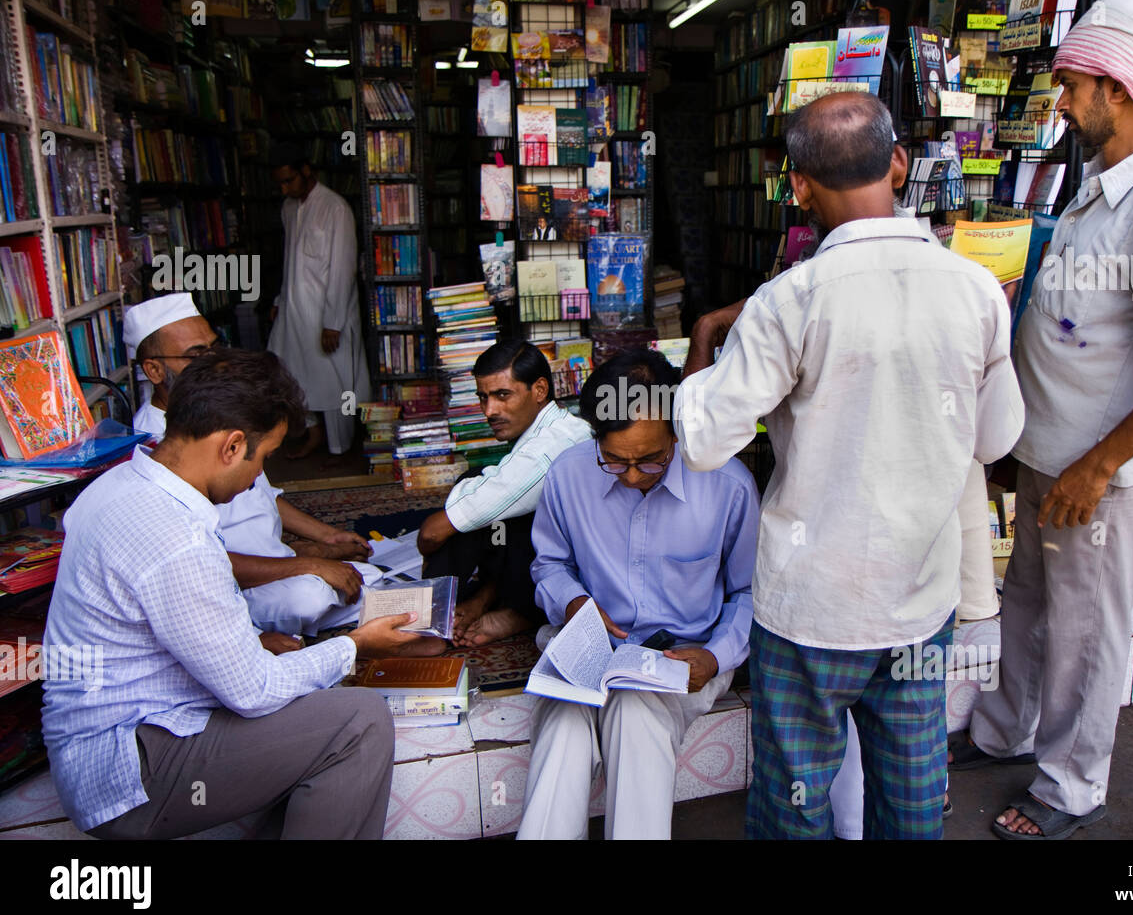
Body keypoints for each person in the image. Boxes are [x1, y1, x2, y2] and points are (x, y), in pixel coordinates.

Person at [674, 91, 1024, 839]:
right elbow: (995, 441)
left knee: (795, 805)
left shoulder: (787, 300)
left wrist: (705, 339)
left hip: (810, 610)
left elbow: (704, 442)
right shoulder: (976, 290)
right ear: (898, 164)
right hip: (918, 604)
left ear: (797, 185)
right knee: (910, 792)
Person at [952, 0, 1133, 840]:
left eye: (1074, 85)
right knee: (1029, 601)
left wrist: (1099, 466)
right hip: (1048, 455)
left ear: (1124, 89)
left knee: (1085, 628)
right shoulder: (1098, 186)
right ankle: (1007, 733)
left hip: (1091, 473)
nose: (1061, 103)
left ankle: (1070, 786)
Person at [41, 348, 423, 839]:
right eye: (262, 461)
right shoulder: (176, 538)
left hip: (108, 744)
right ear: (232, 445)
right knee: (358, 721)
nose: (253, 482)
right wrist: (354, 646)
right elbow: (254, 693)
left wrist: (250, 645)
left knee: (304, 702)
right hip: (129, 772)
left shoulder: (119, 484)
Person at [518, 349, 759, 839]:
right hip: (590, 652)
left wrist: (714, 658)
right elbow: (549, 564)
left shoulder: (728, 486)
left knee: (636, 709)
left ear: (676, 432)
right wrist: (573, 602)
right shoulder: (568, 474)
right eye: (615, 460)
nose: (631, 476)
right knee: (563, 722)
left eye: (650, 461)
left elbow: (751, 591)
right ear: (596, 439)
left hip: (681, 659)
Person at [123, 294, 381, 647]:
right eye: (197, 355)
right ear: (154, 370)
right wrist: (309, 563)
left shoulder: (219, 412)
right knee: (313, 597)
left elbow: (261, 495)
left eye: (215, 349)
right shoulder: (156, 449)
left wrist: (326, 537)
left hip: (277, 563)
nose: (213, 363)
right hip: (230, 584)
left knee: (369, 578)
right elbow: (201, 565)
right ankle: (257, 629)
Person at [418, 339, 590, 648]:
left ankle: (429, 620)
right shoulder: (553, 427)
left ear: (539, 390)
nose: (489, 410)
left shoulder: (547, 450)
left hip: (579, 575)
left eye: (502, 395)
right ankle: (482, 600)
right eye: (483, 397)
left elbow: (432, 533)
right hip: (558, 559)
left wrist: (431, 543)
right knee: (485, 500)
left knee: (475, 501)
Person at [267, 143, 371, 459]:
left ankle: (340, 448)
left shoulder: (335, 207)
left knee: (336, 379)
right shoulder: (289, 208)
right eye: (280, 183)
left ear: (306, 172)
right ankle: (313, 433)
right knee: (287, 370)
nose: (285, 189)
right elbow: (290, 261)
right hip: (294, 311)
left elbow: (343, 267)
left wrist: (333, 322)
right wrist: (279, 300)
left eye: (289, 181)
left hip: (327, 314)